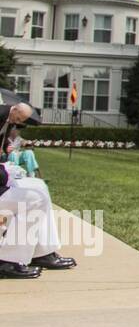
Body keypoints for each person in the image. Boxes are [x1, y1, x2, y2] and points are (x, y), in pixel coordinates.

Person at [0, 101, 77, 279]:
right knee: (34, 199)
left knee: (39, 187)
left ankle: (42, 252)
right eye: (19, 118)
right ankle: (8, 260)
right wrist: (5, 173)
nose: (19, 122)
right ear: (15, 111)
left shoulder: (7, 119)